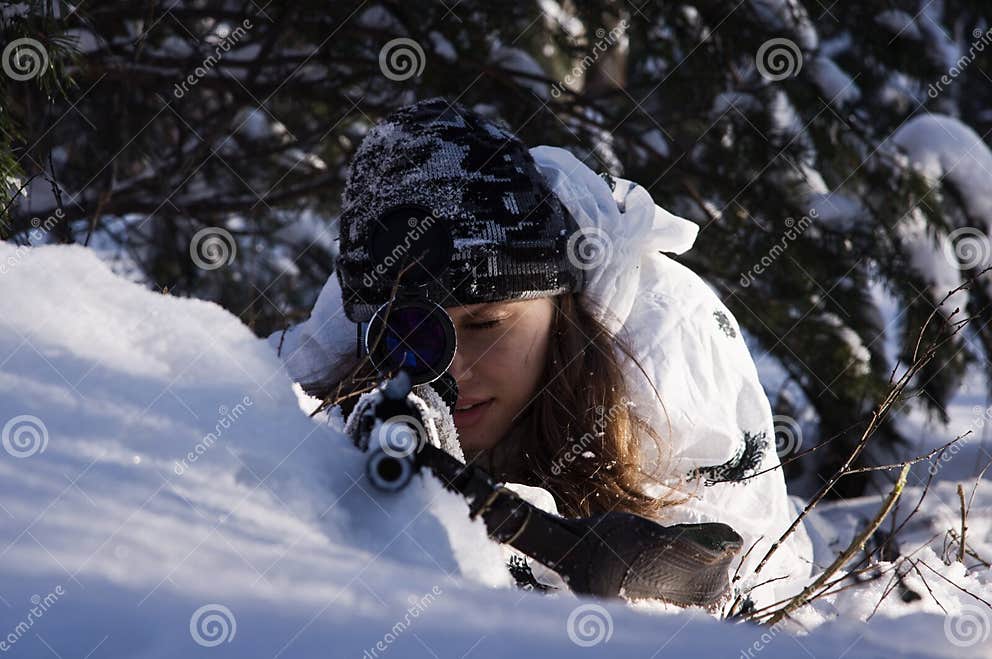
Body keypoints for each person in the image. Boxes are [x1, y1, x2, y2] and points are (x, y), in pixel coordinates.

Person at [269, 97, 813, 612]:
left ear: (561, 308)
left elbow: (735, 576)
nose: (454, 369)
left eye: (486, 324)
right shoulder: (323, 391)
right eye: (412, 332)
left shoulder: (655, 369)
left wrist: (516, 541)